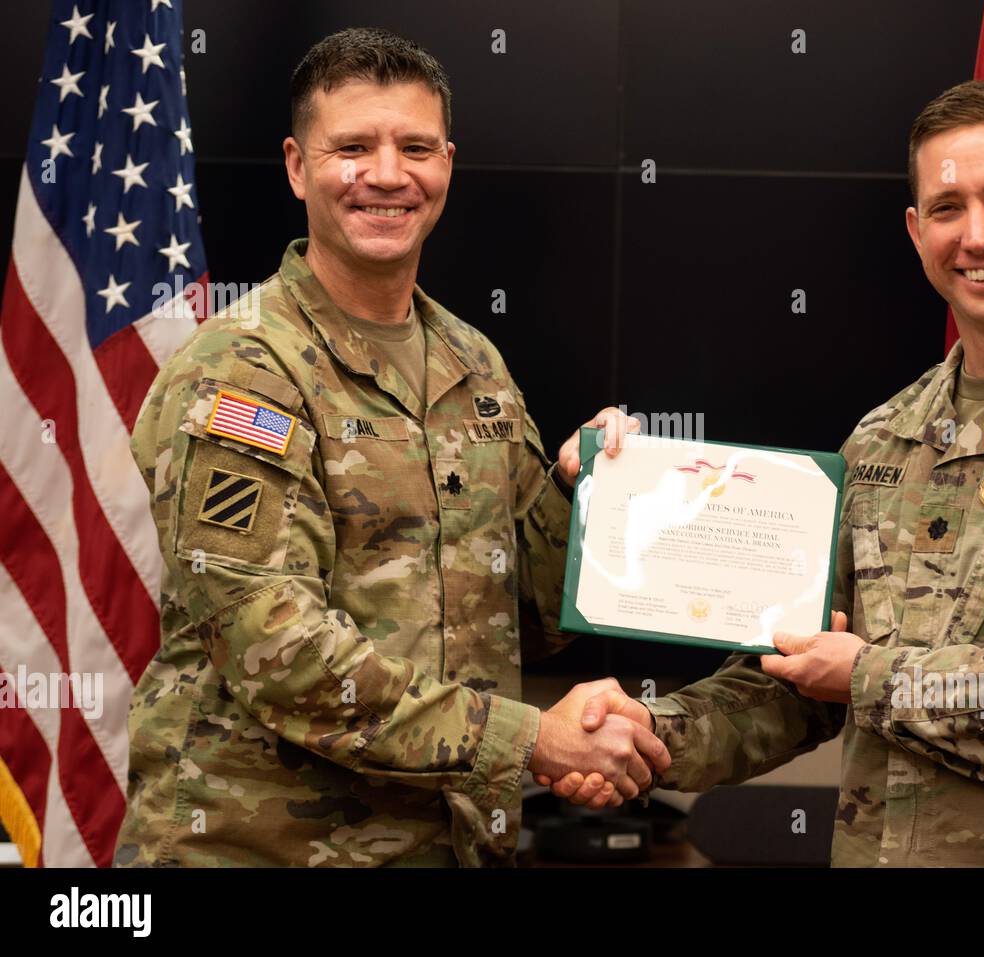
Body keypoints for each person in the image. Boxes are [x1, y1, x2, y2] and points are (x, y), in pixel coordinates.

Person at [538, 80, 984, 866]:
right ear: (917, 231)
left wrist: (871, 676)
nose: (977, 235)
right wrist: (648, 735)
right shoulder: (884, 438)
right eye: (948, 208)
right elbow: (795, 679)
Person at [113, 27, 665, 868]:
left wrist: (576, 491)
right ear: (298, 166)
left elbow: (516, 617)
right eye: (352, 148)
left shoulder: (474, 363)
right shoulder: (243, 369)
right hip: (260, 848)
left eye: (414, 147)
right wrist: (529, 740)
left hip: (448, 844)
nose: (386, 174)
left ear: (447, 163)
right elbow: (277, 649)